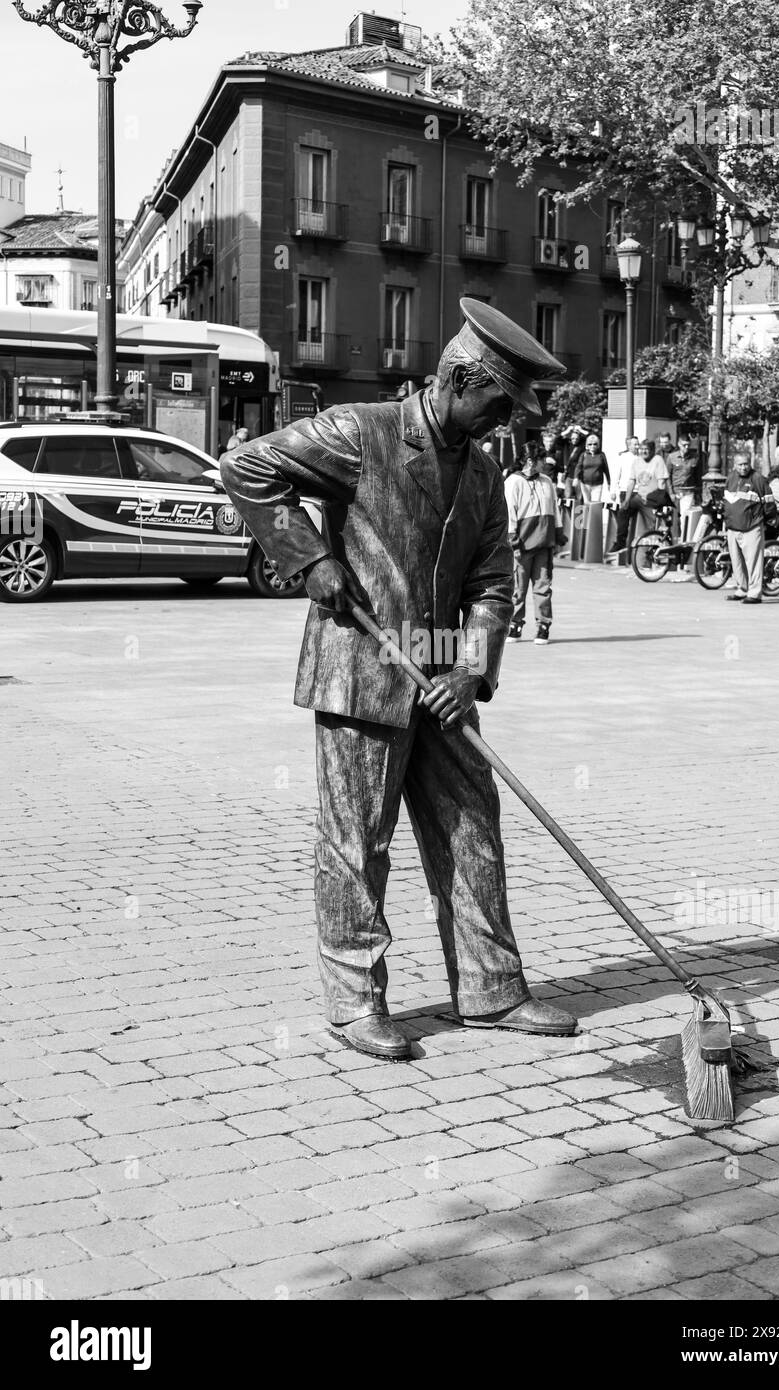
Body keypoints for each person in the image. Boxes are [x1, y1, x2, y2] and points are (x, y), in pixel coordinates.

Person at [220, 298, 576, 1061]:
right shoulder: (359, 432)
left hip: (440, 678)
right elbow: (246, 465)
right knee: (357, 842)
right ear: (459, 379)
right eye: (498, 405)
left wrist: (471, 670)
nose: (504, 423)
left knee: (473, 829)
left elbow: (491, 585)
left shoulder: (482, 473)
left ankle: (490, 989)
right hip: (362, 672)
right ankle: (354, 1003)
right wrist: (310, 557)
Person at [504, 445, 567, 645]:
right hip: (522, 545)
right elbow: (509, 512)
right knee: (518, 588)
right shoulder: (513, 482)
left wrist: (558, 533)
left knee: (543, 587)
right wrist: (512, 540)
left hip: (544, 543)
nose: (545, 463)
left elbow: (555, 509)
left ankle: (543, 626)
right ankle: (515, 625)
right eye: (542, 459)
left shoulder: (547, 481)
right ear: (530, 460)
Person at [609, 439, 675, 557]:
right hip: (639, 497)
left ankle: (653, 549)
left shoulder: (658, 460)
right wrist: (627, 500)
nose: (644, 451)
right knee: (623, 512)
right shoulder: (637, 462)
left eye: (647, 449)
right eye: (642, 449)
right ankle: (620, 542)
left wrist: (659, 501)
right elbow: (631, 481)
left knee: (653, 523)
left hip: (653, 498)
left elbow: (662, 483)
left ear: (652, 450)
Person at [723, 450, 770, 604]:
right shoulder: (730, 478)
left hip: (752, 527)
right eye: (740, 464)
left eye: (746, 464)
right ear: (734, 464)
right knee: (737, 562)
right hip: (733, 528)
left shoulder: (758, 479)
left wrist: (767, 522)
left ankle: (755, 593)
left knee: (753, 562)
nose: (743, 467)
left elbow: (768, 503)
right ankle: (742, 589)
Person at [571, 433, 610, 503]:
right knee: (586, 503)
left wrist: (609, 483)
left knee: (595, 504)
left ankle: (594, 514)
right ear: (587, 445)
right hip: (585, 483)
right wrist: (576, 478)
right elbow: (578, 467)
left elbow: (606, 469)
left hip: (598, 484)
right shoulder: (583, 455)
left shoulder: (601, 455)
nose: (592, 446)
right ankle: (586, 514)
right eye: (590, 444)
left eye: (595, 444)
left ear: (598, 445)